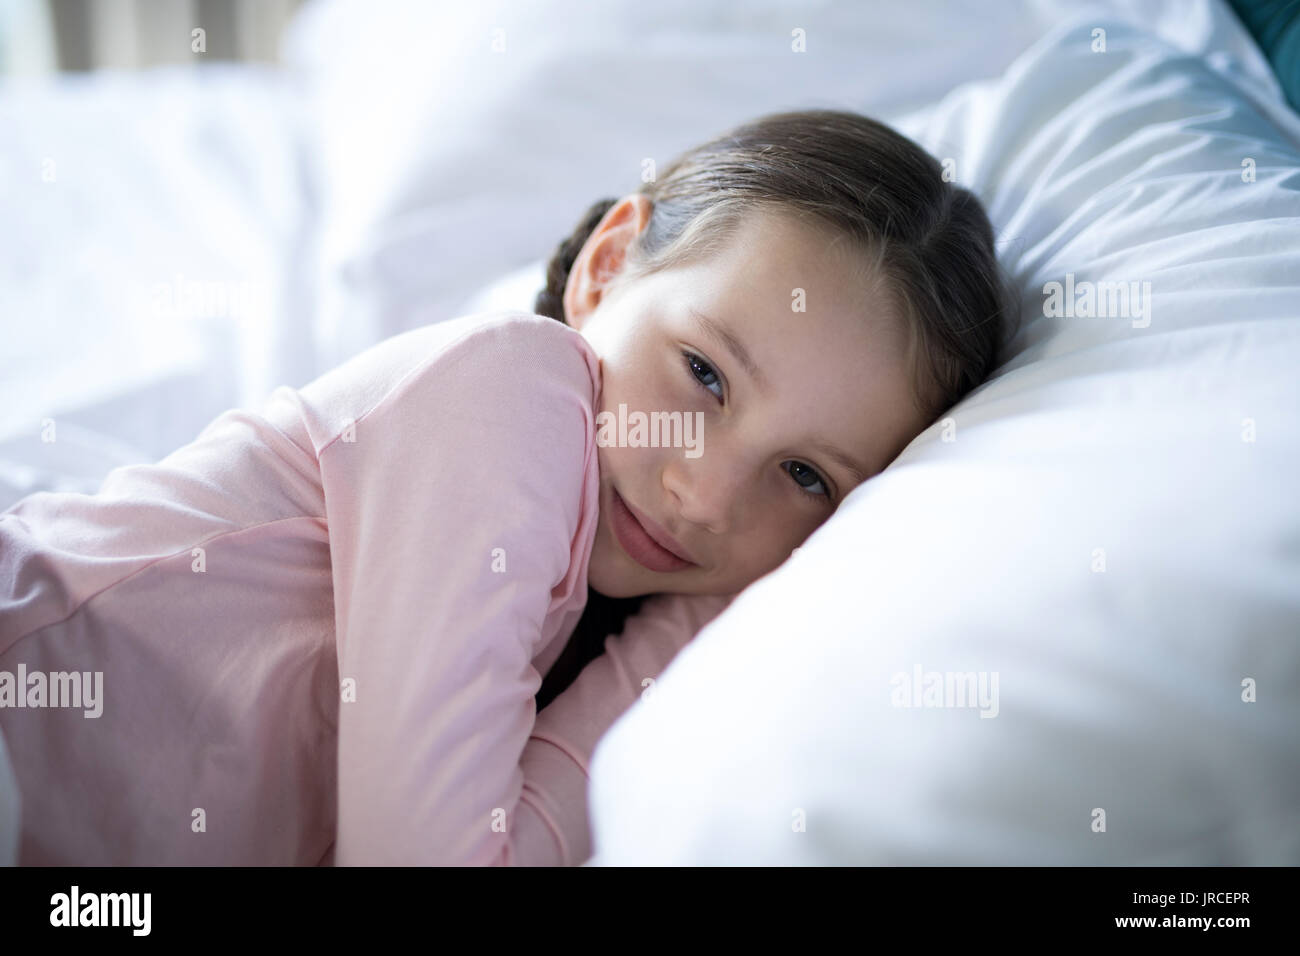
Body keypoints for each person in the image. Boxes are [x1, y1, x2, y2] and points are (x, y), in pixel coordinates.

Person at [0, 109, 1012, 866]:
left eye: (803, 474)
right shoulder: (513, 385)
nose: (701, 492)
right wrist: (687, 626)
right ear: (608, 266)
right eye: (703, 373)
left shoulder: (605, 615)